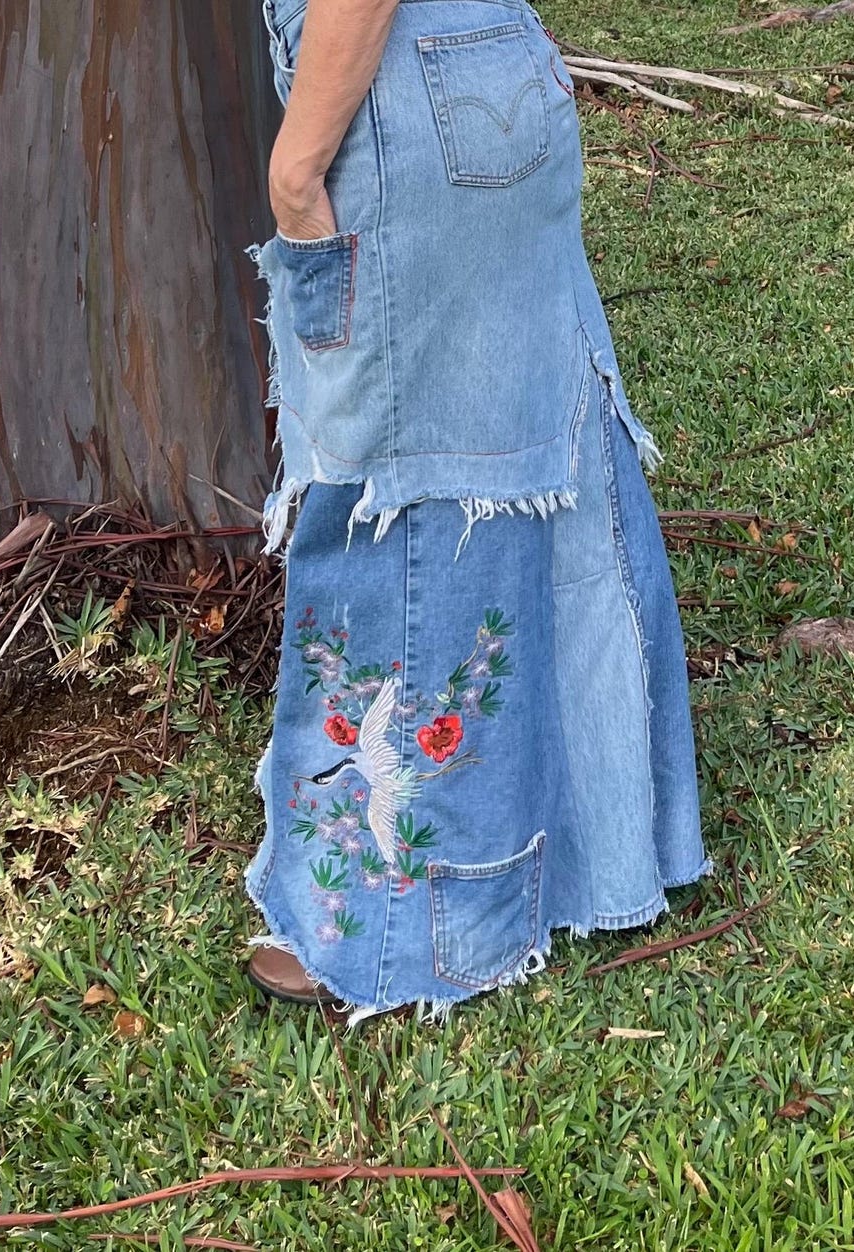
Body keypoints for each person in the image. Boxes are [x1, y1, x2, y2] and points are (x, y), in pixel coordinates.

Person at [241, 0, 714, 1027]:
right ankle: (606, 850)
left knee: (398, 495)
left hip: (397, 103)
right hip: (486, 74)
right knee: (544, 456)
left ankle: (403, 929)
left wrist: (295, 169)